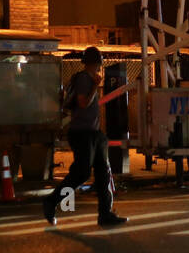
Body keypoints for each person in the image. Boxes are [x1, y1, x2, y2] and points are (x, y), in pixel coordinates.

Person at [43, 47, 127, 227]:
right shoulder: (84, 79)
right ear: (97, 62)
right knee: (81, 174)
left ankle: (105, 214)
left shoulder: (86, 78)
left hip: (93, 133)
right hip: (83, 133)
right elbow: (82, 103)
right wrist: (96, 86)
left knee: (103, 174)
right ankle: (51, 201)